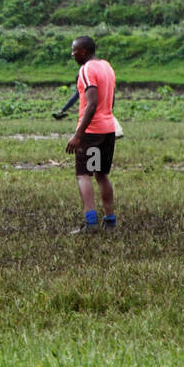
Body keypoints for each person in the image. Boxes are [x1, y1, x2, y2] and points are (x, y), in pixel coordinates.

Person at [63, 36, 117, 233]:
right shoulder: (107, 67)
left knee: (83, 175)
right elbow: (111, 100)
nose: (72, 54)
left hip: (91, 132)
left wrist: (78, 135)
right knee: (100, 173)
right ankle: (110, 222)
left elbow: (91, 103)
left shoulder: (86, 69)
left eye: (74, 50)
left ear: (83, 52)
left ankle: (91, 223)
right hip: (107, 130)